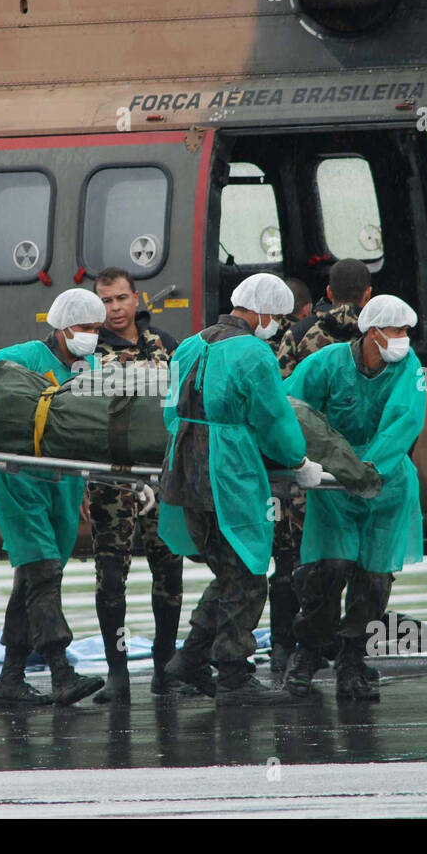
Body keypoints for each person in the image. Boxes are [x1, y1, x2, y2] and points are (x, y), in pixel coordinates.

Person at [157, 273, 323, 706]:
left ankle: (189, 660)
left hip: (183, 470)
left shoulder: (190, 345)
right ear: (263, 311)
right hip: (228, 473)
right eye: (279, 318)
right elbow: (273, 420)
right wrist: (298, 461)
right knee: (249, 575)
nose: (280, 327)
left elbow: (169, 412)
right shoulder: (253, 353)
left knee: (229, 572)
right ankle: (232, 673)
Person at [284, 294, 426, 701]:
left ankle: (352, 658)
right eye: (396, 331)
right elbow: (290, 406)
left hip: (387, 483)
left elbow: (406, 421)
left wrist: (369, 469)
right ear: (373, 332)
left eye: (406, 331)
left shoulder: (409, 369)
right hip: (333, 485)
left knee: (375, 578)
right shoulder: (326, 364)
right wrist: (302, 459)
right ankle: (307, 652)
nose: (403, 339)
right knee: (329, 569)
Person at [0, 289, 107, 706]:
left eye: (96, 329)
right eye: (84, 328)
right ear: (60, 326)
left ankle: (10, 680)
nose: (91, 336)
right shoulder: (16, 358)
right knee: (42, 570)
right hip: (19, 477)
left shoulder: (91, 366)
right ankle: (60, 670)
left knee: (32, 578)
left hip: (65, 481)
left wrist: (87, 481)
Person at [268, 257, 373, 684]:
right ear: (368, 294)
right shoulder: (379, 335)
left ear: (327, 295)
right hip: (361, 466)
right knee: (365, 562)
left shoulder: (297, 333)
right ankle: (349, 654)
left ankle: (294, 652)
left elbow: (282, 404)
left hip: (308, 469)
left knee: (301, 562)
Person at [87, 268, 186, 702]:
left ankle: (166, 667)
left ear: (136, 297)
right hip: (113, 479)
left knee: (169, 572)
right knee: (111, 578)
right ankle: (118, 673)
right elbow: (79, 424)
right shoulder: (89, 349)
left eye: (121, 298)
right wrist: (83, 485)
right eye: (105, 302)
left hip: (163, 477)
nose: (115, 309)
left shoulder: (165, 343)